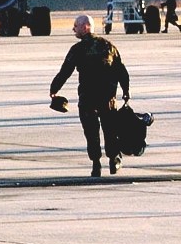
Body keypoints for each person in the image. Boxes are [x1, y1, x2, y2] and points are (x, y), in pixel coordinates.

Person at [50, 15, 130, 177]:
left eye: (76, 26)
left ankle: (96, 164)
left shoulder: (78, 49)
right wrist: (126, 91)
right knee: (110, 130)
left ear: (86, 27)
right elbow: (121, 70)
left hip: (88, 99)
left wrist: (54, 89)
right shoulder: (108, 46)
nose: (74, 29)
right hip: (108, 98)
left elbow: (65, 71)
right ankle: (114, 159)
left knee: (91, 132)